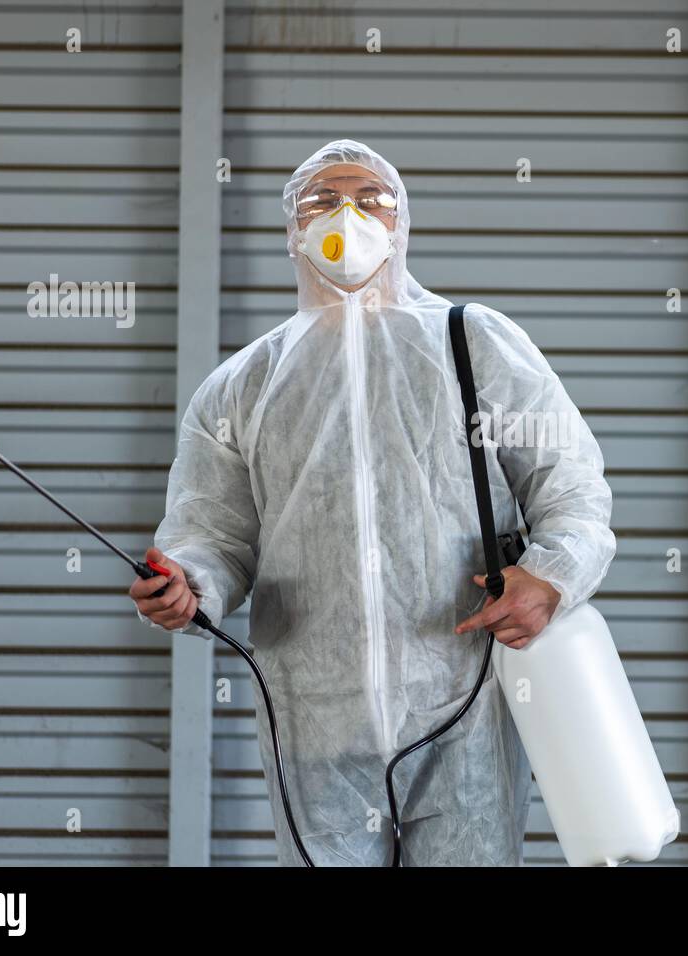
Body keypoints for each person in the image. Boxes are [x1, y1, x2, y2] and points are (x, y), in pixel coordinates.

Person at [128, 139, 616, 866]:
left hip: (465, 707)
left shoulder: (472, 344)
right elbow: (213, 534)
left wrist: (551, 576)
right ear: (292, 232)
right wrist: (188, 587)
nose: (348, 216)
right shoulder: (242, 387)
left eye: (371, 200)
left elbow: (571, 487)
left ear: (402, 223)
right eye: (322, 201)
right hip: (314, 721)